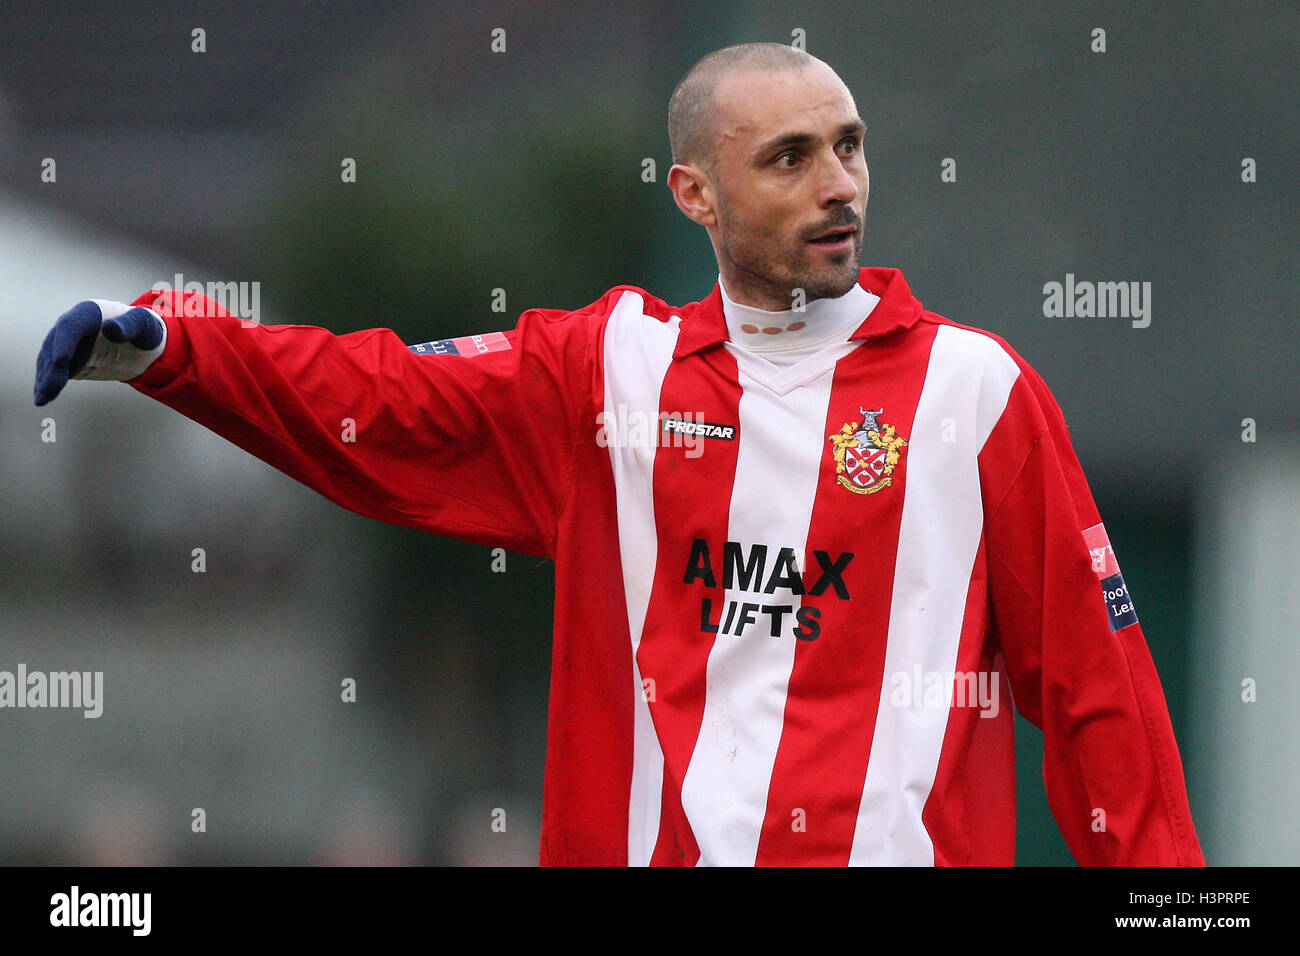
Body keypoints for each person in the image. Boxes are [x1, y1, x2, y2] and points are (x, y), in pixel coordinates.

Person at [32, 42, 1205, 867]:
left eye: (848, 146)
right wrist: (177, 349)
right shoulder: (606, 374)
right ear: (694, 193)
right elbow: (378, 398)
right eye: (789, 157)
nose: (838, 182)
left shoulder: (978, 393)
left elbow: (1102, 694)